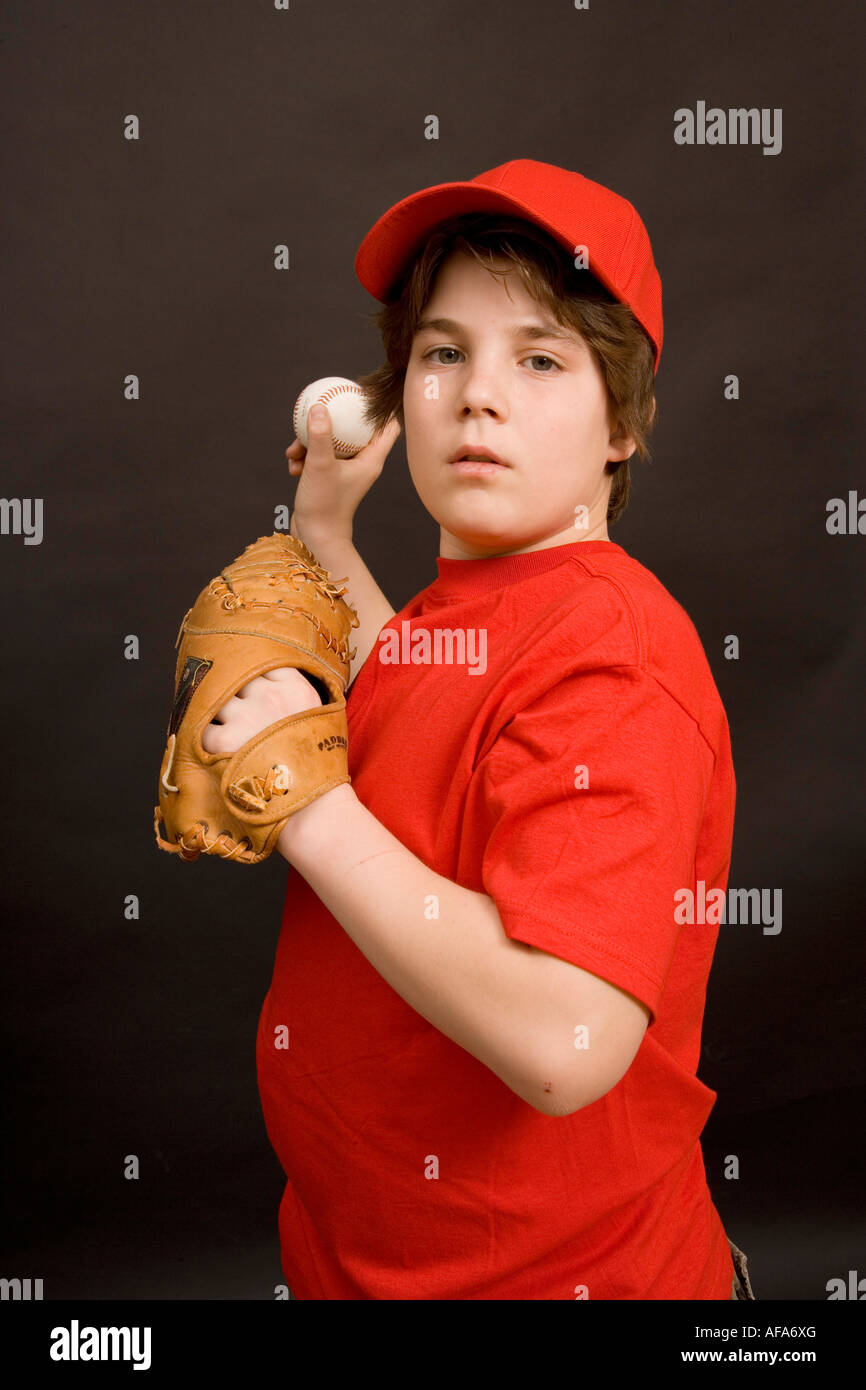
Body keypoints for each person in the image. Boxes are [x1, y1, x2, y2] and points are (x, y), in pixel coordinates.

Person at [204, 159, 756, 1300]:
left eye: (540, 359)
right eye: (443, 351)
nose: (474, 395)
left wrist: (305, 806)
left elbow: (564, 1044)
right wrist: (323, 528)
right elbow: (420, 690)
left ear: (622, 425)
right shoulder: (480, 605)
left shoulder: (613, 655)